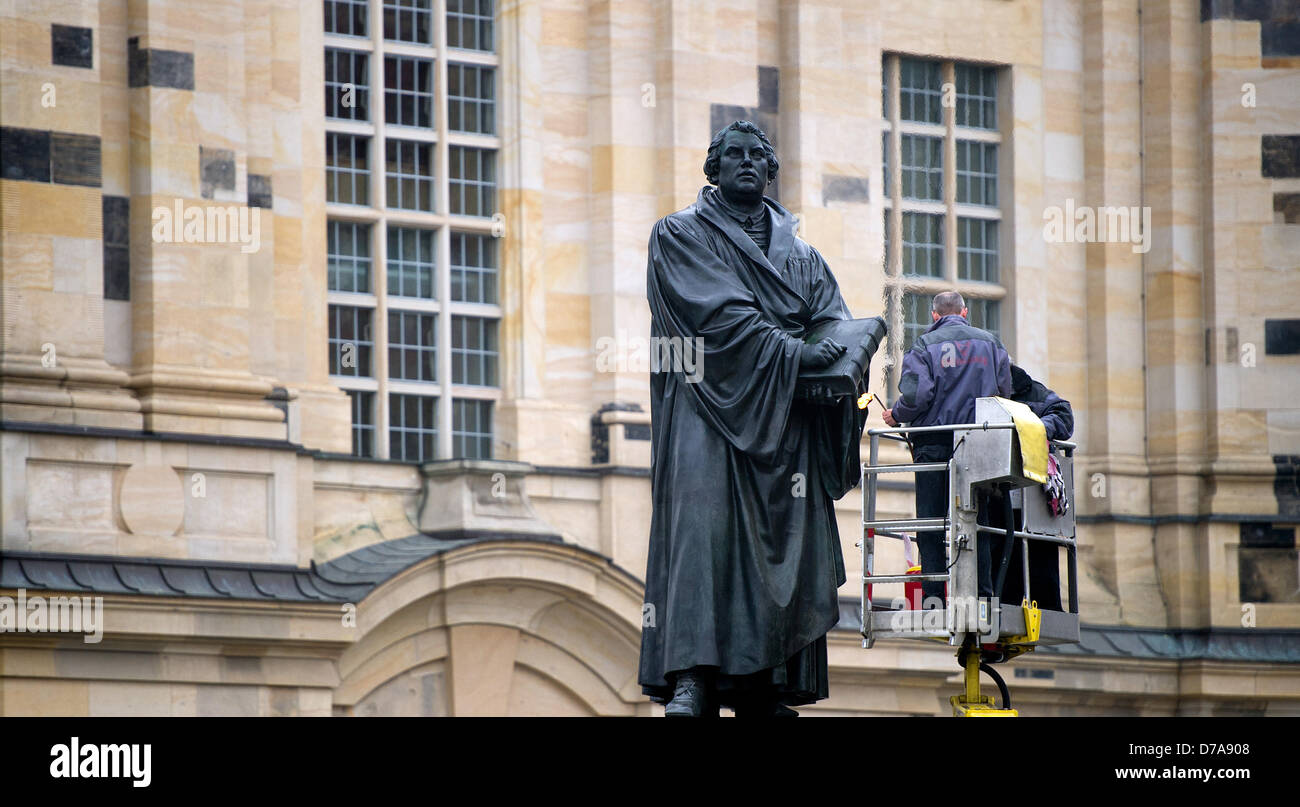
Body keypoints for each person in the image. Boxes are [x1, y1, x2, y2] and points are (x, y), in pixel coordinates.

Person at [638, 120, 868, 717]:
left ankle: (767, 680)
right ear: (712, 170)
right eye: (732, 155)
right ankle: (691, 672)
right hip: (706, 411)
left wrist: (844, 359)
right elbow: (716, 317)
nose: (746, 163)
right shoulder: (678, 234)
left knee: (782, 544)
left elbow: (832, 323)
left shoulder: (805, 256)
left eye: (757, 156)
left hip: (785, 423)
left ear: (770, 170)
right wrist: (795, 352)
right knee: (701, 533)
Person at [882, 292, 1012, 606]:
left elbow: (917, 396)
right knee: (975, 518)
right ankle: (982, 595)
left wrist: (895, 415)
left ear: (935, 315)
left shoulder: (925, 346)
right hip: (979, 444)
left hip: (934, 445)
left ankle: (934, 597)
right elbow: (1006, 392)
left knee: (931, 522)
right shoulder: (991, 344)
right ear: (964, 313)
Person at [981, 364, 1074, 611]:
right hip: (993, 491)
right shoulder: (977, 388)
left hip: (1029, 491)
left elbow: (1062, 414)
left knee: (1038, 553)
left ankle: (1044, 605)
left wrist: (1031, 430)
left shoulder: (1028, 389)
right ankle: (1004, 605)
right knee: (1001, 553)